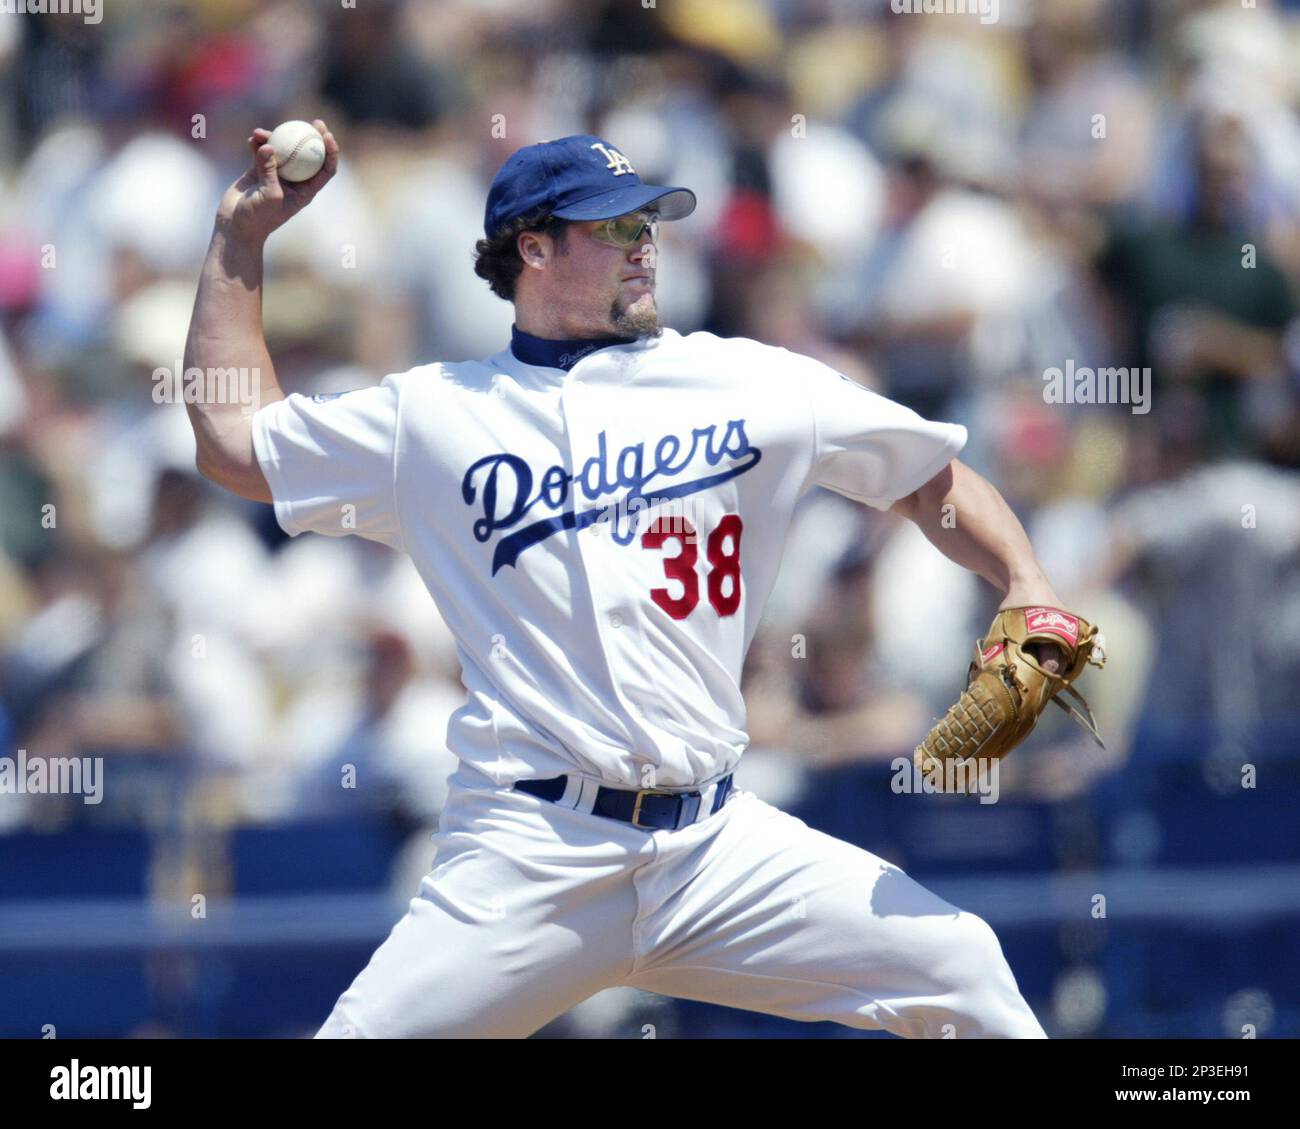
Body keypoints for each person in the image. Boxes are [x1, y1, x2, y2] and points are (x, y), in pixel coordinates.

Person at [183, 124, 1069, 1038]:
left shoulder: (745, 380)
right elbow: (236, 442)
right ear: (533, 247)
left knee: (959, 965)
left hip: (717, 844)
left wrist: (1024, 579)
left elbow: (927, 476)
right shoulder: (432, 417)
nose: (643, 240)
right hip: (533, 850)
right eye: (611, 226)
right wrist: (239, 241)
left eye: (648, 219)